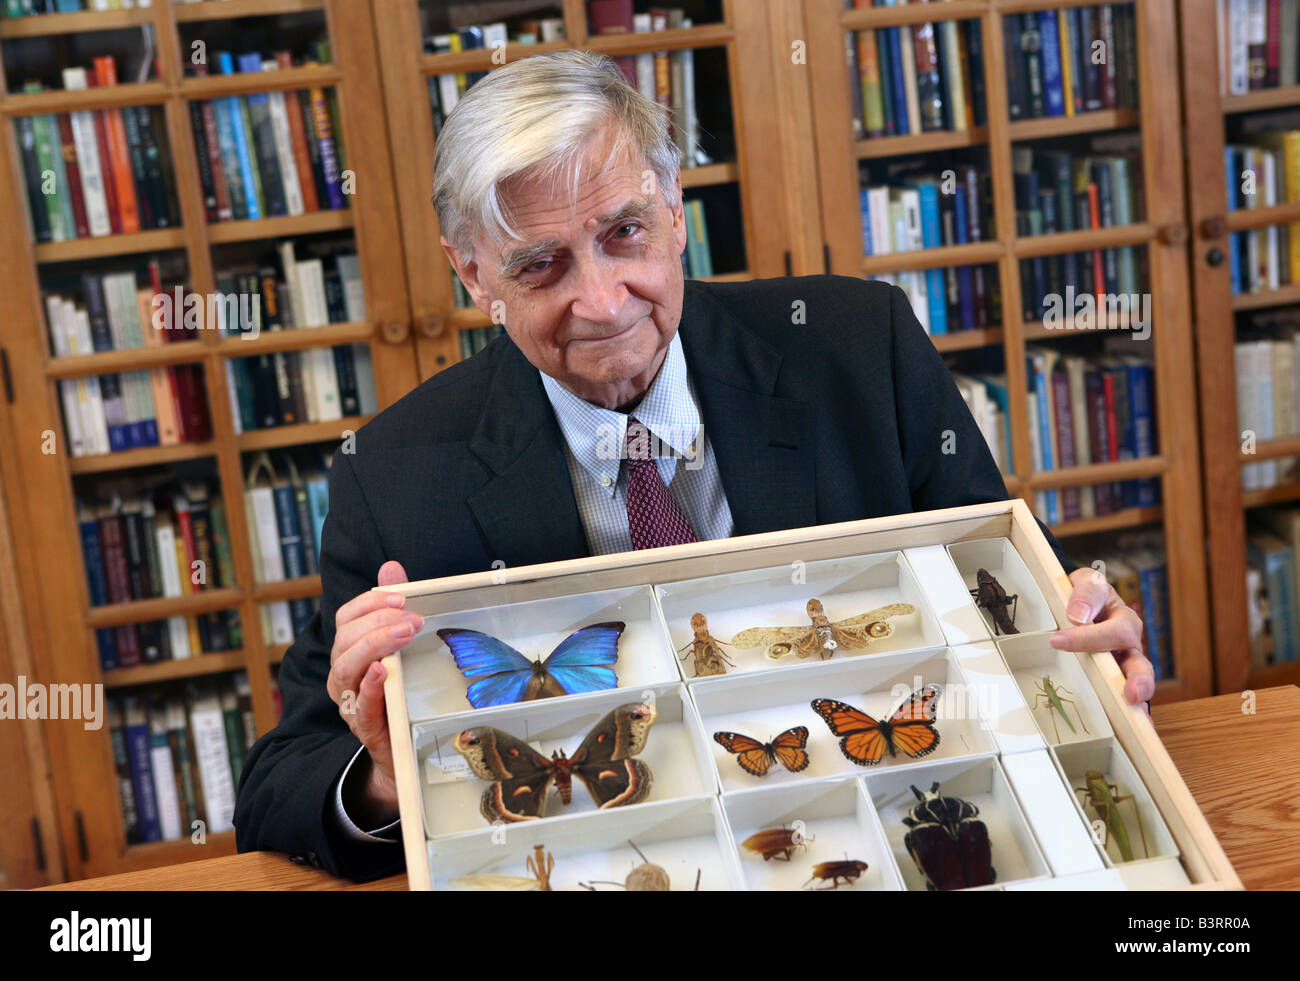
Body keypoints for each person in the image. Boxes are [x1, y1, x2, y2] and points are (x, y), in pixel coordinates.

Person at [233, 50, 1152, 881]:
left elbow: (1011, 591)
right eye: (542, 265)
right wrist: (388, 779)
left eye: (624, 233)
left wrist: (1083, 634)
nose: (600, 301)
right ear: (473, 275)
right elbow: (278, 780)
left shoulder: (861, 345)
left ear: (674, 211)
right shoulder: (392, 472)